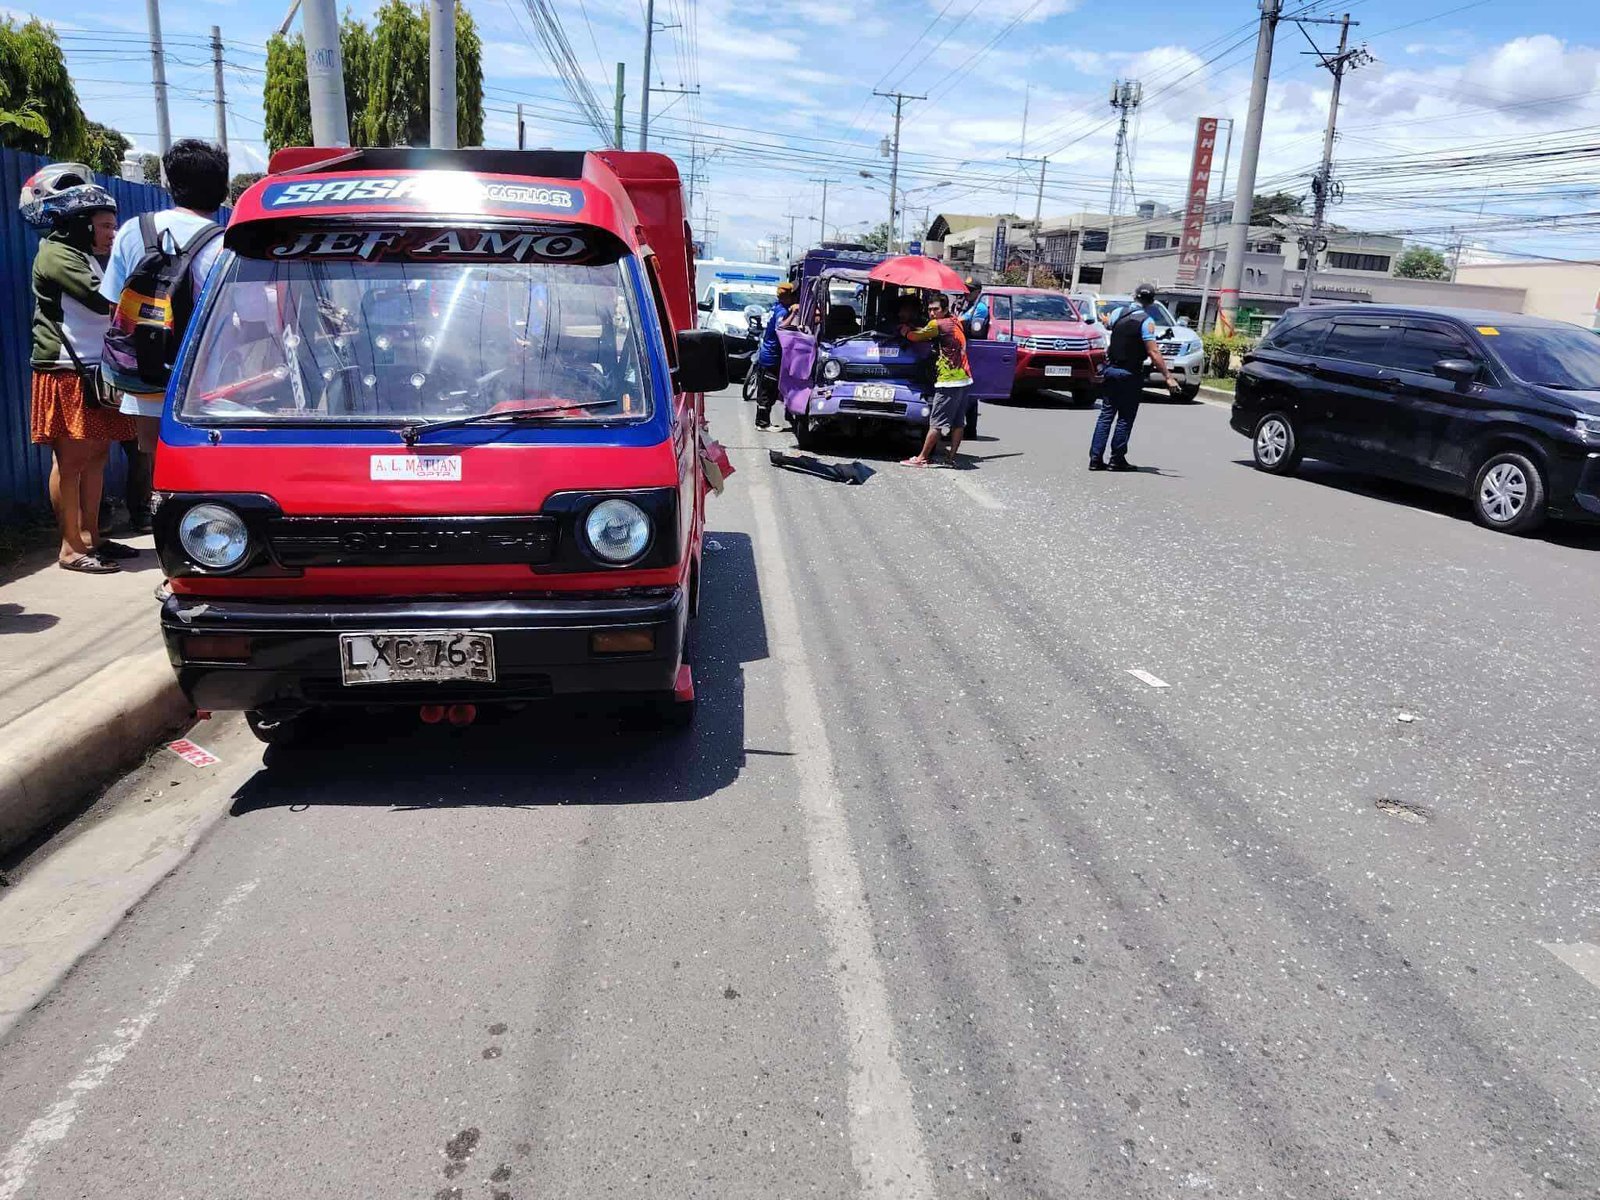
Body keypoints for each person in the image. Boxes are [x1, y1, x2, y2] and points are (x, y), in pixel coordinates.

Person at [100, 138, 229, 526]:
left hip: (146, 376)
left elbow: (115, 306)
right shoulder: (225, 242)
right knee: (209, 478)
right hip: (208, 386)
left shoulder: (132, 231)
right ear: (221, 188)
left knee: (161, 474)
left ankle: (167, 551)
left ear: (170, 184)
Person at [23, 164, 141, 573]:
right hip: (66, 369)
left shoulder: (89, 255)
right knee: (71, 461)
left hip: (95, 368)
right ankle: (70, 547)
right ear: (79, 223)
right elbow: (101, 300)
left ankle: (93, 537)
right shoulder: (57, 254)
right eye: (105, 225)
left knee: (96, 457)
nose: (112, 233)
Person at [1089, 282, 1179, 472]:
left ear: (1134, 296)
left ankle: (1095, 459)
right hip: (1130, 373)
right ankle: (1116, 460)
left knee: (1106, 415)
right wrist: (1168, 376)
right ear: (1151, 302)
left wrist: (1105, 320)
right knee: (1125, 417)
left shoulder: (1118, 313)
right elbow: (1153, 352)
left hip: (1111, 370)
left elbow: (1109, 324)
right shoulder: (1147, 322)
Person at [900, 293, 972, 468]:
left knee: (936, 423)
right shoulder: (955, 321)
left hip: (949, 380)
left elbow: (917, 337)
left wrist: (906, 331)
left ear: (945, 309)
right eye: (930, 310)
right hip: (965, 378)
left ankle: (922, 458)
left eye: (936, 309)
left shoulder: (936, 324)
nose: (932, 313)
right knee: (958, 422)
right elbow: (930, 332)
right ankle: (950, 458)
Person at [754, 280, 799, 430]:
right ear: (787, 297)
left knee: (767, 389)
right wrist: (793, 313)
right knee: (768, 390)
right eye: (792, 296)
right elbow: (780, 327)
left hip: (767, 354)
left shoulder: (776, 307)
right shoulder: (782, 311)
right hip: (771, 357)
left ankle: (763, 422)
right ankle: (762, 423)